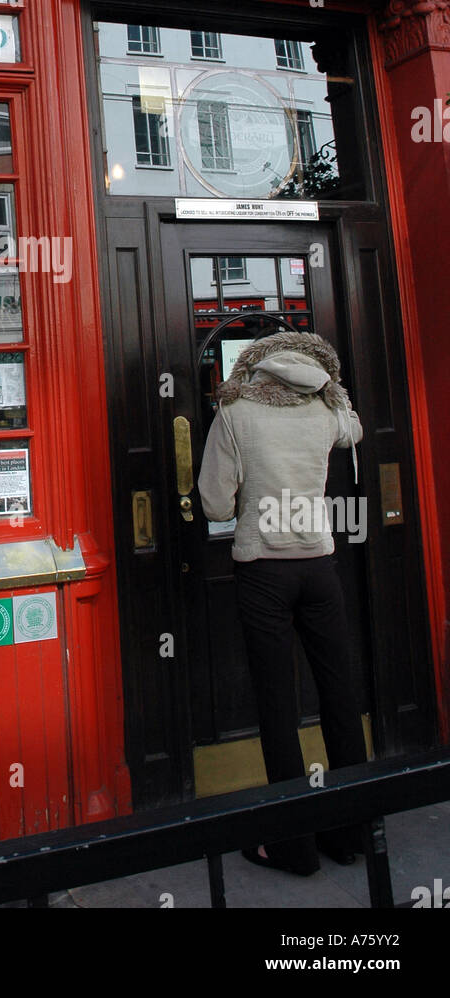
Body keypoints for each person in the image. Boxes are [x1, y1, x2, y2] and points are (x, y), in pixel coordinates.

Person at [197, 330, 366, 877]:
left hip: (264, 569)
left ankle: (293, 846)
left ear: (255, 367)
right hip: (318, 566)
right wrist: (333, 391)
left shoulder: (235, 412)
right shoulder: (325, 410)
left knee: (277, 705)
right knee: (339, 693)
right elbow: (354, 430)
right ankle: (351, 834)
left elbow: (216, 501)